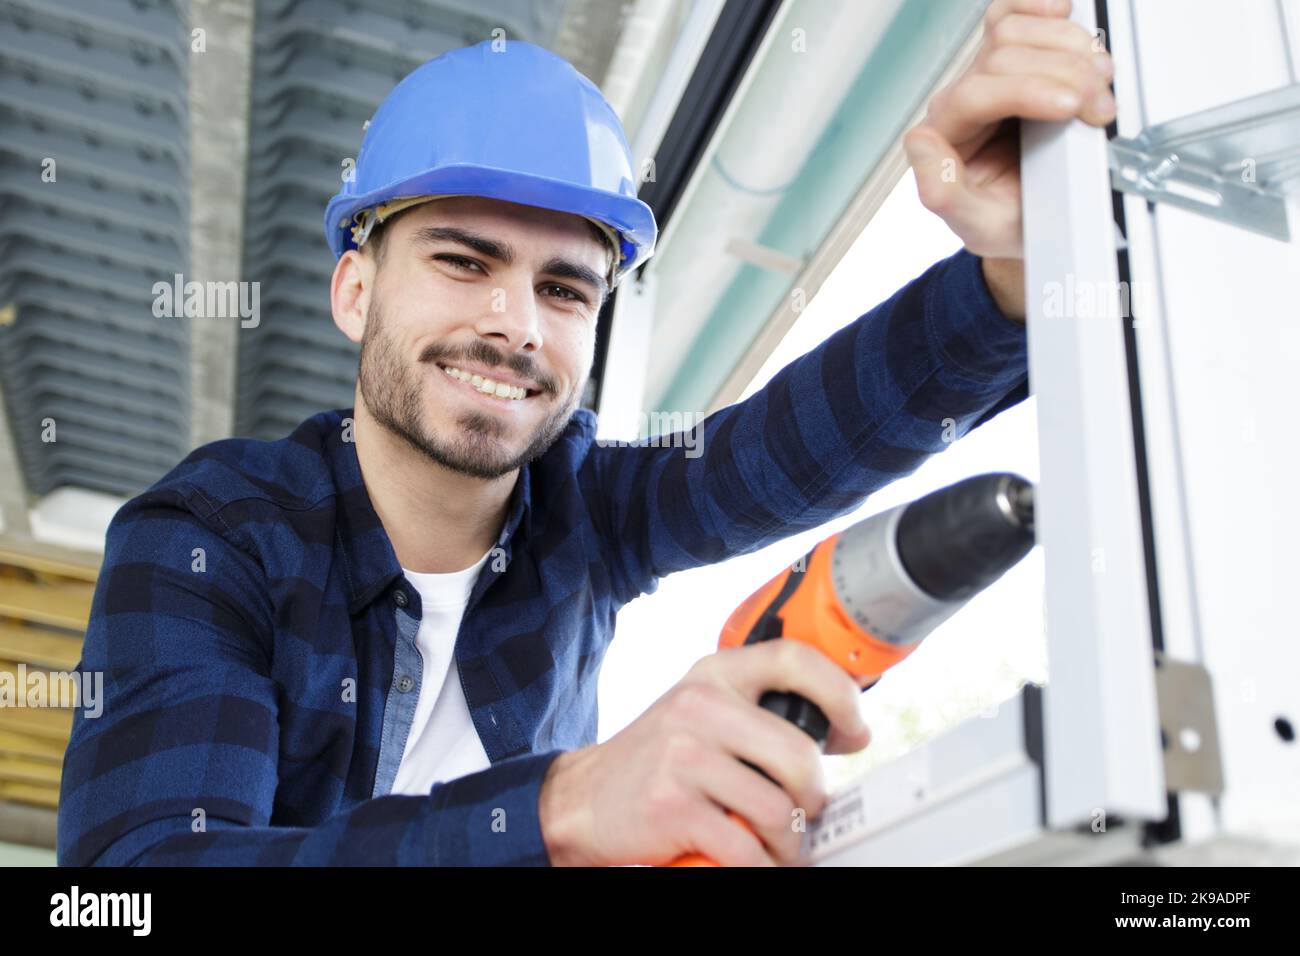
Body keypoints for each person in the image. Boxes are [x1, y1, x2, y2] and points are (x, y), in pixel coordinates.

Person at [57, 0, 1116, 867]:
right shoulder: (210, 537)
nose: (516, 323)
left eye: (564, 288)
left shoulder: (586, 515)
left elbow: (775, 450)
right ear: (353, 289)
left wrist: (1010, 269)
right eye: (463, 262)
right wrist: (558, 805)